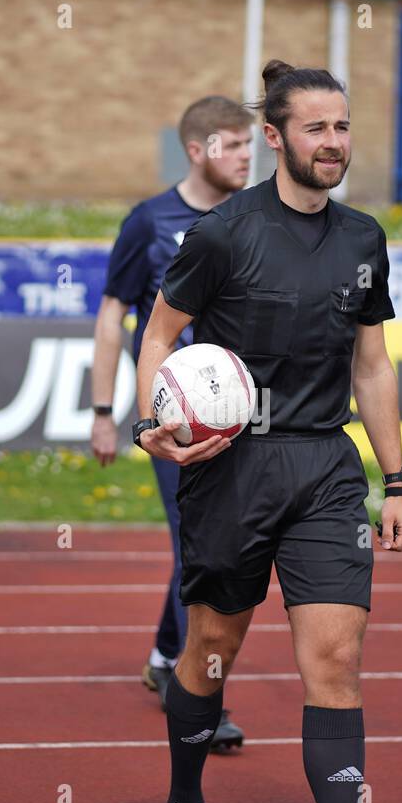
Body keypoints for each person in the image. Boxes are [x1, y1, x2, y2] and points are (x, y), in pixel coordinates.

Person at [134, 60, 402, 803]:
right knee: (211, 651)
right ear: (274, 136)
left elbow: (373, 364)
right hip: (231, 468)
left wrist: (396, 481)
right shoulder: (223, 233)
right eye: (316, 128)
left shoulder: (364, 238)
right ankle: (186, 800)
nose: (334, 142)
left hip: (325, 469)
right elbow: (158, 335)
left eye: (343, 126)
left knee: (335, 662)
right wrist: (147, 423)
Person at [90, 95, 253, 751]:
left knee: (221, 545)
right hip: (174, 422)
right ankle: (201, 695)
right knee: (199, 543)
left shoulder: (255, 218)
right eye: (234, 145)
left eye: (252, 145)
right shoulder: (149, 221)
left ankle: (164, 657)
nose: (248, 156)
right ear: (197, 149)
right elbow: (113, 316)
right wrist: (108, 412)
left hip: (242, 419)